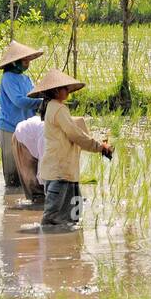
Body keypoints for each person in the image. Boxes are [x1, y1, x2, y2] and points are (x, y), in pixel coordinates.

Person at [28, 68, 114, 230]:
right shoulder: (59, 109)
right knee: (53, 219)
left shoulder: (52, 108)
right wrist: (100, 147)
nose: (67, 91)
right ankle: (54, 247)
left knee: (72, 215)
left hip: (62, 170)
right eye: (64, 88)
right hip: (60, 171)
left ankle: (66, 248)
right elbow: (75, 134)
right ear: (55, 91)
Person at [0, 41, 43, 191]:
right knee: (12, 175)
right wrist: (41, 103)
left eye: (29, 60)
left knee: (28, 171)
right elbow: (19, 101)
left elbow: (34, 95)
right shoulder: (8, 78)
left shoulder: (26, 79)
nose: (28, 63)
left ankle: (25, 202)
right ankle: (10, 205)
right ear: (15, 62)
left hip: (25, 130)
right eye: (25, 60)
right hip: (9, 128)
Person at [12, 113, 46, 205]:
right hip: (22, 137)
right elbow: (43, 166)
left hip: (33, 137)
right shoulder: (47, 135)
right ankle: (35, 206)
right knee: (33, 183)